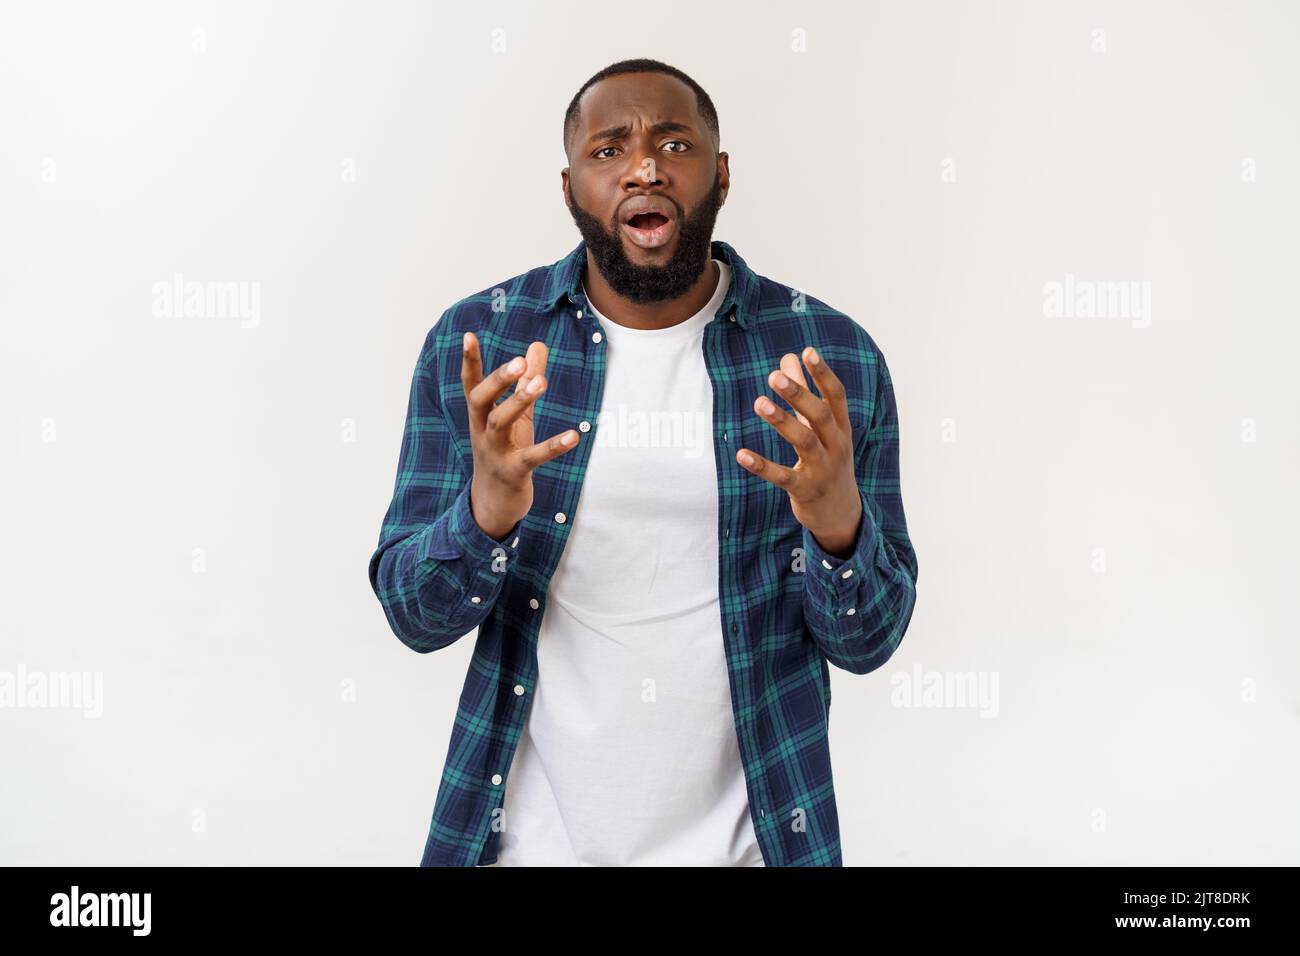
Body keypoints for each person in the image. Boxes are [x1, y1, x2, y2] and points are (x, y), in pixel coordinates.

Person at [368, 57, 919, 866]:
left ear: (721, 175)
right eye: (608, 150)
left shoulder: (828, 357)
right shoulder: (478, 344)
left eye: (674, 143)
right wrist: (484, 516)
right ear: (568, 189)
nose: (644, 167)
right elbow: (414, 618)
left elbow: (869, 642)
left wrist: (839, 528)